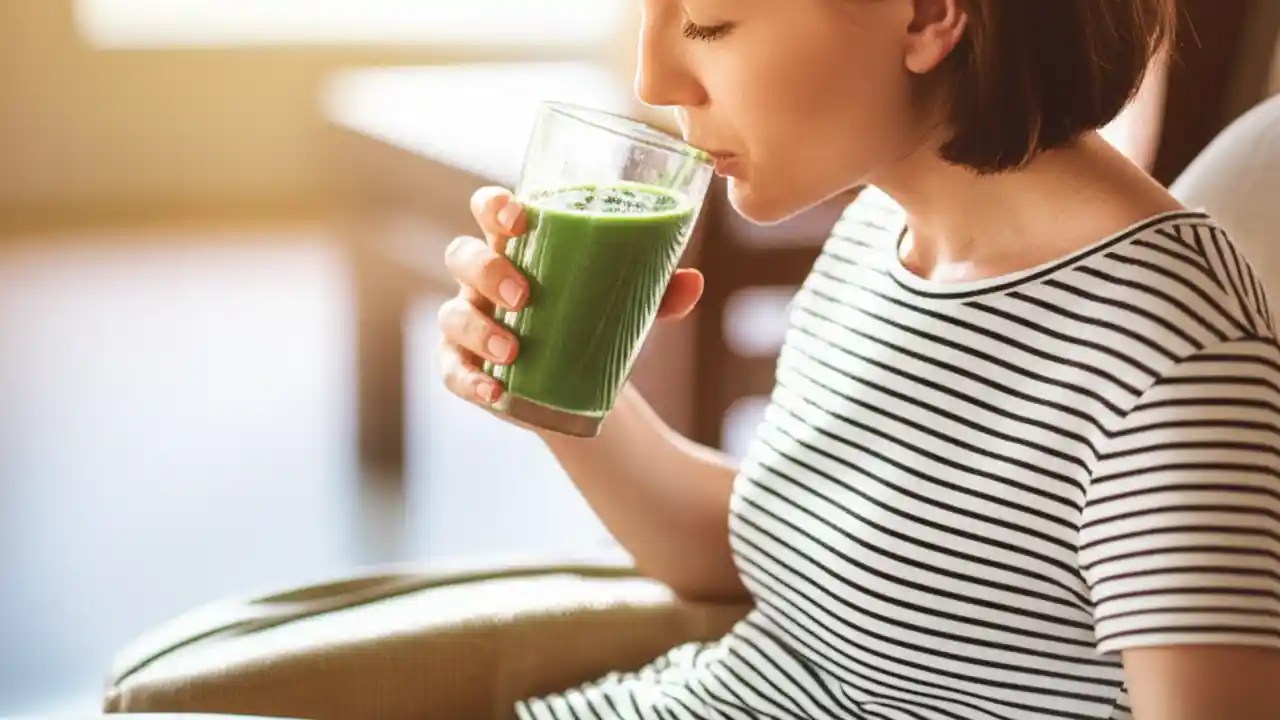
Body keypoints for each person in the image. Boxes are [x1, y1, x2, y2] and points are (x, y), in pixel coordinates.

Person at [437, 1, 1280, 717]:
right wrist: (557, 382)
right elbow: (778, 551)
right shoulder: (885, 233)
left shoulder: (1175, 363)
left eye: (707, 22)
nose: (651, 80)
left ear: (927, 14)